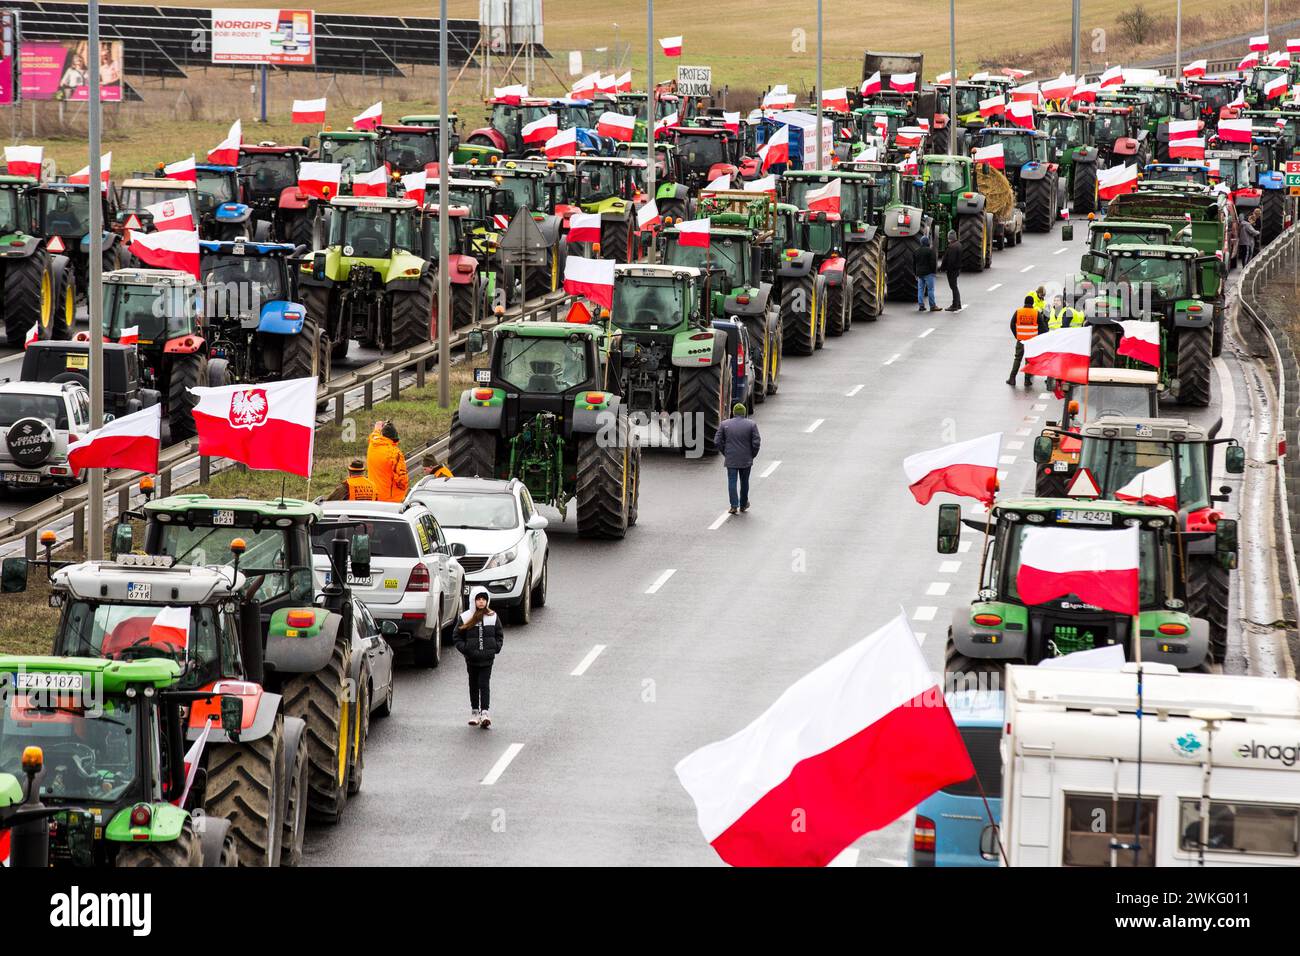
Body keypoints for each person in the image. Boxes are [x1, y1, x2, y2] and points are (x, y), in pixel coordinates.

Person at [454, 586, 503, 727]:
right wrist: (466, 649)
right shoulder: (465, 617)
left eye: (483, 599)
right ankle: (475, 711)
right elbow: (457, 636)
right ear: (473, 601)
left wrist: (496, 647)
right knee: (474, 684)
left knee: (484, 684)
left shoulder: (492, 616)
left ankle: (485, 712)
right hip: (472, 659)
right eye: (478, 599)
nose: (481, 602)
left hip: (487, 658)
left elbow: (499, 634)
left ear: (487, 601)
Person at [714, 401, 761, 515]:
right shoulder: (751, 425)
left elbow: (717, 441)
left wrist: (725, 452)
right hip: (746, 459)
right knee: (745, 482)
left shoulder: (724, 424)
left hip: (731, 459)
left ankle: (734, 506)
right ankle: (743, 504)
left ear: (733, 413)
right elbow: (756, 442)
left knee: (732, 481)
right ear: (744, 413)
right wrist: (752, 454)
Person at [1008, 294, 1046, 387]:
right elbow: (1043, 328)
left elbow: (1012, 324)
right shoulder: (1036, 313)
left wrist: (1017, 335)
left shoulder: (1018, 312)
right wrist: (1039, 338)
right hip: (1031, 342)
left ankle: (1012, 378)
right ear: (1032, 303)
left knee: (1017, 359)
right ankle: (1027, 380)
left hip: (1021, 340)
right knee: (1029, 360)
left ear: (1024, 302)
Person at [367, 420, 409, 502]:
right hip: (391, 499)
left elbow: (375, 434)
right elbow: (402, 479)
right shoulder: (395, 453)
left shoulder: (373, 444)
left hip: (373, 496)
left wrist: (377, 428)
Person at [914, 233, 940, 312]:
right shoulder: (931, 251)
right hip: (928, 273)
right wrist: (934, 272)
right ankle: (932, 306)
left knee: (920, 289)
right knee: (930, 289)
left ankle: (921, 305)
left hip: (919, 274)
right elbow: (933, 263)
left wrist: (915, 273)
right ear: (927, 242)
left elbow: (914, 264)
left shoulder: (916, 251)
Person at [942, 229, 962, 311]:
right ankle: (958, 304)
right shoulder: (959, 245)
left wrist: (943, 268)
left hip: (952, 271)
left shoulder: (951, 247)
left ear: (950, 238)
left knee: (953, 287)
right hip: (957, 269)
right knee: (955, 287)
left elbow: (949, 260)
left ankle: (954, 305)